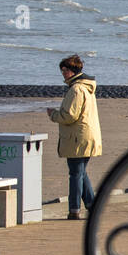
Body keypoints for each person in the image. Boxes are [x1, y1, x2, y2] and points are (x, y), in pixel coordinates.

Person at [47, 54, 102, 220]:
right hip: (86, 136)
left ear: (74, 70)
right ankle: (92, 206)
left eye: (66, 70)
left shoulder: (76, 89)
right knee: (81, 172)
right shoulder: (85, 87)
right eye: (62, 70)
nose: (63, 73)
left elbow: (70, 116)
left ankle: (74, 209)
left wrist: (53, 114)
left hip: (78, 138)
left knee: (76, 174)